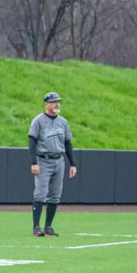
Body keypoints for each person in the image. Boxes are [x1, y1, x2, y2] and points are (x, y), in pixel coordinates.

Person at [29, 91, 77, 237]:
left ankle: (48, 227)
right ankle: (36, 227)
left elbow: (68, 143)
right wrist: (33, 162)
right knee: (40, 194)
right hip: (43, 160)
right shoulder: (38, 120)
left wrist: (73, 163)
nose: (57, 104)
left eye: (58, 101)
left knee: (55, 195)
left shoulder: (63, 122)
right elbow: (32, 141)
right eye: (53, 102)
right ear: (46, 104)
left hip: (59, 161)